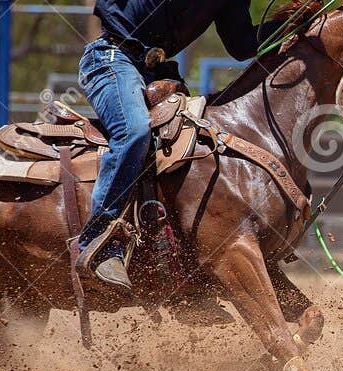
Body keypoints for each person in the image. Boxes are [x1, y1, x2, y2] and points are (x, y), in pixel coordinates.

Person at [79, 0, 279, 291]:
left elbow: (242, 44)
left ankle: (171, 262)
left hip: (155, 71)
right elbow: (106, 6)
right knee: (133, 132)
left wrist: (300, 21)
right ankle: (99, 242)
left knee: (195, 146)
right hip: (112, 58)